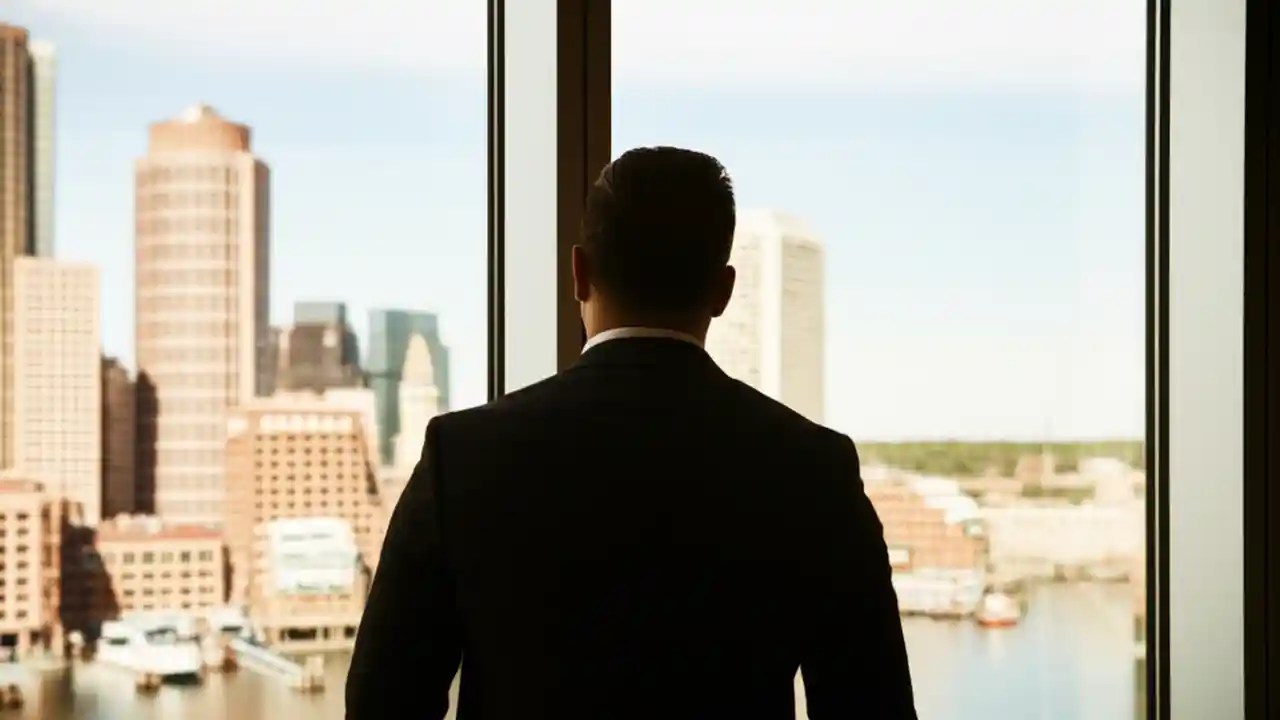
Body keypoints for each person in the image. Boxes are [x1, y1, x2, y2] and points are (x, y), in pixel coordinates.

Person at [346, 147, 916, 719]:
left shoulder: (462, 455)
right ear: (722, 291)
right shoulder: (814, 468)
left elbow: (382, 702)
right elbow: (873, 705)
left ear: (579, 273)